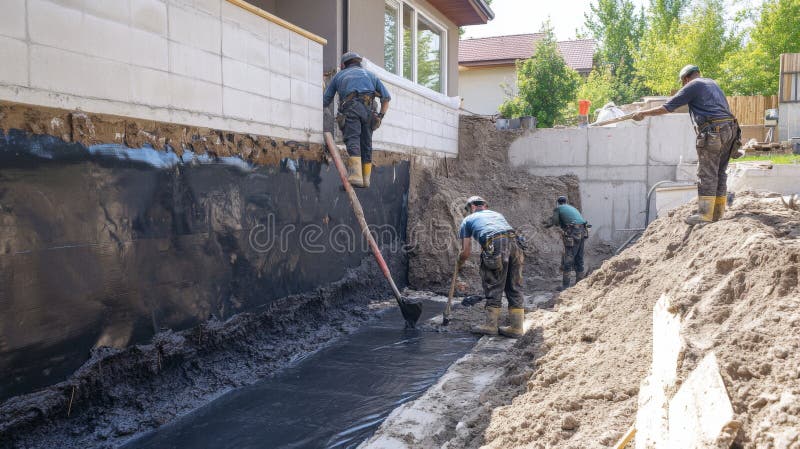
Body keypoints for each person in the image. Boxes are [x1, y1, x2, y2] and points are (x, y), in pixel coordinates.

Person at [632, 64, 740, 225]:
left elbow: (667, 107)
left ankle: (705, 214)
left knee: (707, 173)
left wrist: (643, 113)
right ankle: (717, 212)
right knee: (719, 171)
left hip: (713, 132)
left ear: (685, 79)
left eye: (683, 83)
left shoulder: (693, 85)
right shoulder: (711, 83)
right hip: (730, 130)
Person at [457, 196, 526, 338]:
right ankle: (517, 328)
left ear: (471, 207)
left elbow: (465, 252)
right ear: (485, 206)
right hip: (516, 244)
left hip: (496, 245)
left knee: (494, 283)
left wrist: (458, 263)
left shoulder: (467, 220)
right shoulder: (497, 215)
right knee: (514, 285)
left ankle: (490, 326)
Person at [323, 52, 391, 188]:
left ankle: (356, 176)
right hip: (369, 110)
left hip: (351, 108)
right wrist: (380, 116)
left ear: (343, 65)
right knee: (366, 142)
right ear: (358, 63)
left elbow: (325, 101)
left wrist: (322, 88)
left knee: (353, 138)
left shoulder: (339, 76)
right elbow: (386, 98)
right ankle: (366, 179)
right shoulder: (371, 75)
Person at [545, 196, 588, 291]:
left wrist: (548, 224)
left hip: (573, 232)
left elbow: (555, 221)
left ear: (558, 203)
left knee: (569, 258)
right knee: (579, 257)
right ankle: (579, 283)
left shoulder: (558, 208)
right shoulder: (572, 208)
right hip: (583, 231)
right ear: (566, 202)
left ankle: (565, 286)